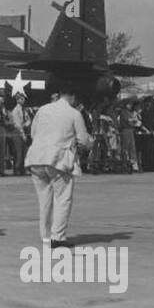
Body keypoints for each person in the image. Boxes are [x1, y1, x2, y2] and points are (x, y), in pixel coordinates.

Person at [25, 81, 92, 248]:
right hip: (58, 160)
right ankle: (58, 237)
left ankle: (46, 236)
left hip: (36, 158)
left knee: (44, 199)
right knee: (62, 198)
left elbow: (33, 133)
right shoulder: (74, 114)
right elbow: (83, 140)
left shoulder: (43, 109)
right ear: (73, 97)